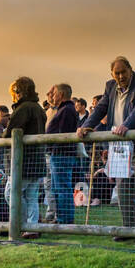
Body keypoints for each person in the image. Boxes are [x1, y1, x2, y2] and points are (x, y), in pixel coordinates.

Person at [77, 57, 135, 239]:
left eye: (123, 72)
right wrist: (86, 125)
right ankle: (128, 228)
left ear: (130, 69)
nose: (120, 76)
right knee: (122, 188)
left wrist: (126, 125)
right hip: (119, 145)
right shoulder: (110, 86)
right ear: (112, 74)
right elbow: (100, 108)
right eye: (117, 73)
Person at [6, 76, 46, 238]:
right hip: (37, 159)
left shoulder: (24, 108)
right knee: (31, 196)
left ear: (18, 91)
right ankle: (32, 226)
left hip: (23, 160)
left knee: (11, 192)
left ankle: (22, 224)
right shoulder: (38, 108)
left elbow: (10, 132)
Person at [45, 83, 79, 225]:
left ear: (61, 94)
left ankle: (65, 219)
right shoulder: (64, 109)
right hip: (59, 153)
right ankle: (61, 217)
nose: (52, 96)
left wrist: (51, 144)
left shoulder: (66, 110)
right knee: (57, 187)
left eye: (55, 93)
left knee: (62, 187)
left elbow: (62, 133)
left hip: (62, 154)